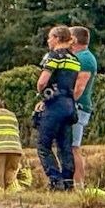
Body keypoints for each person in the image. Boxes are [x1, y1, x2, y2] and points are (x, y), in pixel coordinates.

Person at [34, 26, 86, 190]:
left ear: (57, 38)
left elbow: (43, 81)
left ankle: (56, 181)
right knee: (65, 147)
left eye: (50, 37)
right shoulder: (74, 59)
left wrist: (40, 93)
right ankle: (69, 183)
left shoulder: (53, 56)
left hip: (54, 105)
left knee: (44, 145)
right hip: (69, 106)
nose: (48, 41)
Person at [70, 26, 98, 187]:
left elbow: (79, 88)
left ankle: (79, 183)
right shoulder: (79, 57)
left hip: (78, 108)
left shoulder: (85, 59)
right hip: (76, 106)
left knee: (74, 147)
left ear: (74, 39)